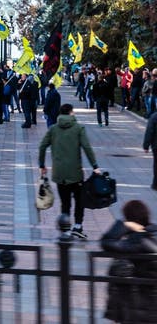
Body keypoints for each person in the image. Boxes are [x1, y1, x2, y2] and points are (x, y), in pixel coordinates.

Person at [39, 103, 102, 239]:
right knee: (80, 201)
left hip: (59, 173)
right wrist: (95, 166)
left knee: (65, 202)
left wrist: (41, 165)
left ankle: (65, 229)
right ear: (71, 113)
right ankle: (78, 226)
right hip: (76, 173)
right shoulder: (78, 128)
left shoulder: (53, 129)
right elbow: (87, 147)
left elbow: (42, 146)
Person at [101, 199, 157, 323]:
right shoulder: (153, 233)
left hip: (139, 306)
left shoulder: (137, 242)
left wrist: (123, 225)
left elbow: (107, 242)